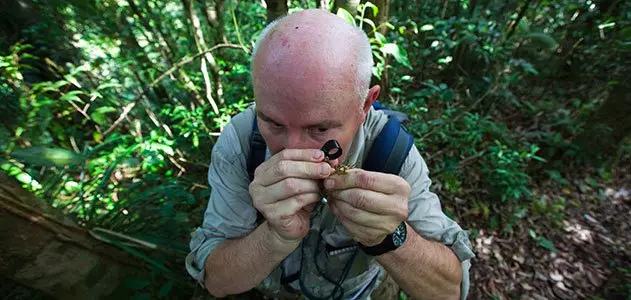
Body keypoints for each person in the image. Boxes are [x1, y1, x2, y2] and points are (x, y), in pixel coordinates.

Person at [185, 8, 475, 300]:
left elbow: (449, 291)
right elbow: (217, 281)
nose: (293, 151)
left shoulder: (391, 151)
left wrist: (390, 237)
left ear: (365, 105)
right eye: (273, 123)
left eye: (320, 128)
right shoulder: (241, 142)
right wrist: (274, 237)